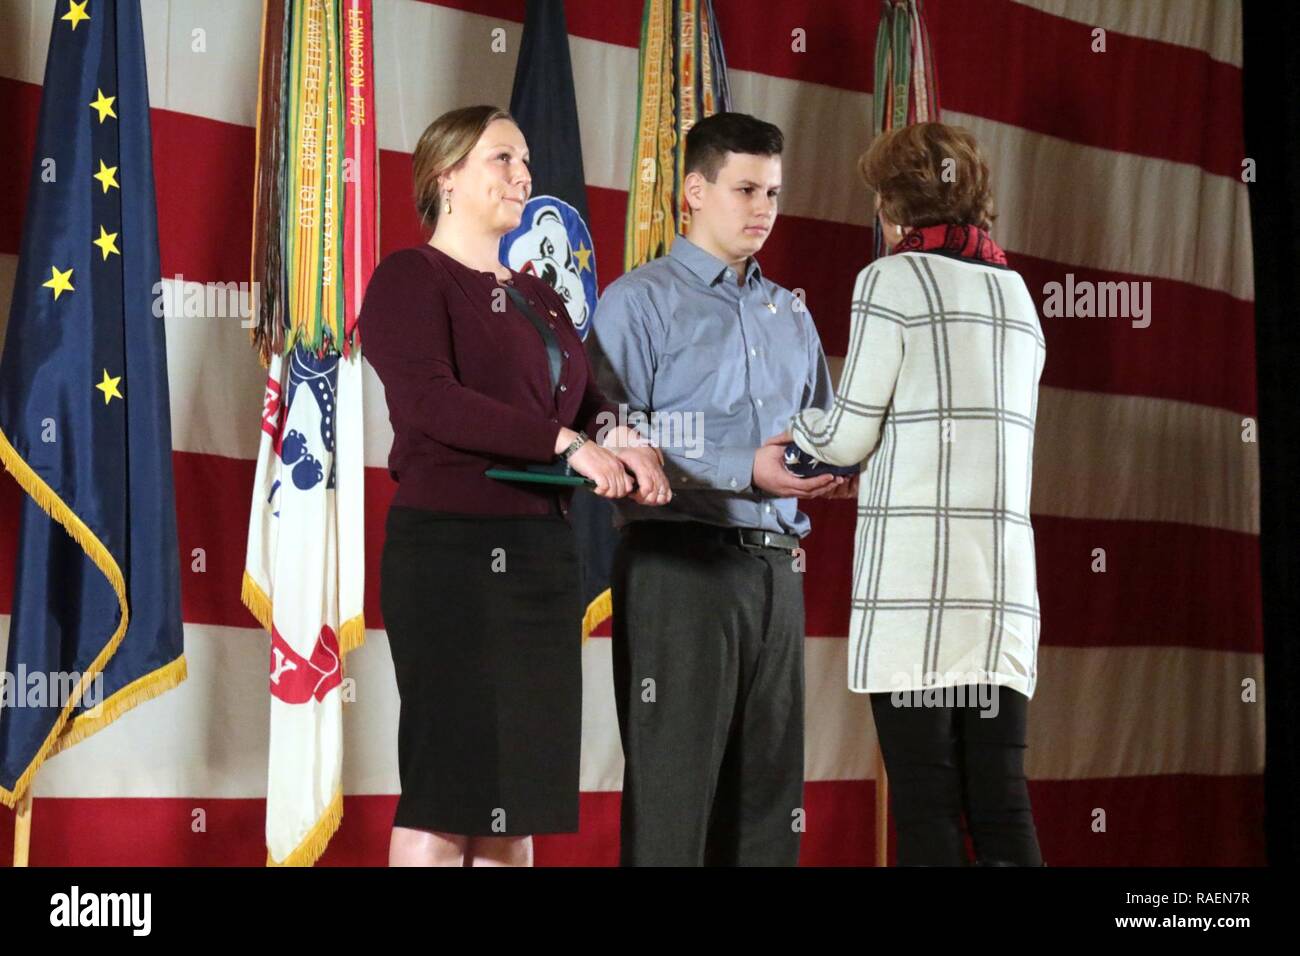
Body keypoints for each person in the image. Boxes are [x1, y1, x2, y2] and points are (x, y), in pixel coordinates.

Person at [360, 105, 670, 867]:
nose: (523, 174)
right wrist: (564, 443)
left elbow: (580, 396)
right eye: (502, 158)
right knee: (449, 790)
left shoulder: (541, 293)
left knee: (514, 801)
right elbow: (432, 401)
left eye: (525, 159)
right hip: (451, 558)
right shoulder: (410, 276)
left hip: (538, 560)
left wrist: (622, 439)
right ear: (447, 177)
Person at [589, 112, 853, 866]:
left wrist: (834, 459)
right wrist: (746, 465)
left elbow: (818, 428)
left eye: (772, 190)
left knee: (768, 808)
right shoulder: (636, 302)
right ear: (694, 192)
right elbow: (618, 431)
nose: (763, 208)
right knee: (676, 805)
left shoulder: (791, 313)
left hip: (775, 568)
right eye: (745, 189)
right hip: (679, 565)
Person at [786, 121, 1047, 866]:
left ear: (896, 204)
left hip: (917, 590)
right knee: (1001, 802)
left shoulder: (892, 280)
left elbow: (846, 436)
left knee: (927, 804)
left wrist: (794, 432)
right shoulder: (1017, 296)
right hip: (999, 593)